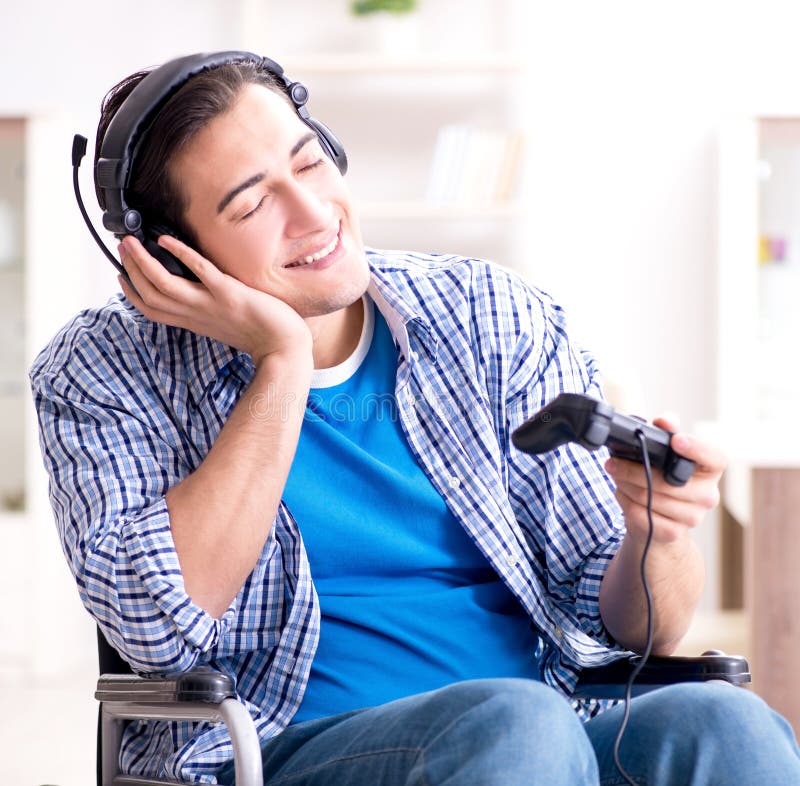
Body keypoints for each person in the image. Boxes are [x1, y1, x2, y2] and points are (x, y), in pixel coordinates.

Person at [30, 52, 799, 785]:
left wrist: (656, 533)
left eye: (309, 163)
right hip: (287, 754)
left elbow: (636, 630)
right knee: (517, 724)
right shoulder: (101, 369)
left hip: (547, 739)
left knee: (728, 724)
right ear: (169, 259)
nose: (313, 214)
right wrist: (282, 363)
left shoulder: (486, 311)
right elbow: (159, 631)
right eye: (254, 203)